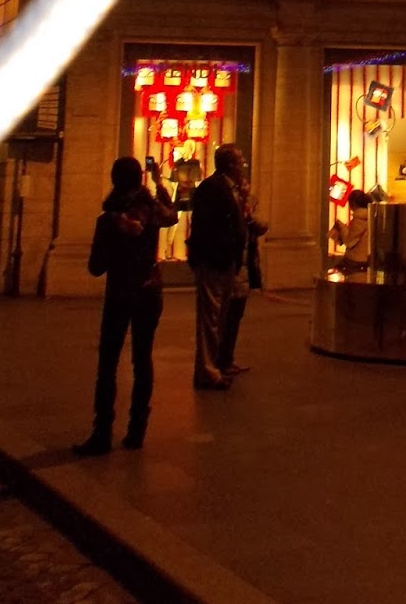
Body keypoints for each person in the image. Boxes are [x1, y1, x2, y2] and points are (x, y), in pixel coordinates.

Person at [74, 156, 177, 455]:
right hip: (149, 292)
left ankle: (102, 431)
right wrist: (159, 181)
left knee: (108, 363)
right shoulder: (152, 211)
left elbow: (96, 267)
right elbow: (172, 215)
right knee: (142, 360)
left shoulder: (108, 220)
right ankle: (136, 431)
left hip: (120, 294)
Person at [187, 142, 247, 390]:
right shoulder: (212, 188)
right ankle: (208, 371)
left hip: (225, 260)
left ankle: (216, 365)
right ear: (230, 164)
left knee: (219, 316)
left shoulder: (231, 188)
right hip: (214, 260)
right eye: (240, 160)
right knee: (210, 318)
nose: (243, 165)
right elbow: (206, 227)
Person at [218, 172, 268, 378]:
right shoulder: (228, 202)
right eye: (244, 183)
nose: (247, 186)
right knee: (226, 316)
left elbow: (262, 226)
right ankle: (221, 360)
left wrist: (248, 215)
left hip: (245, 265)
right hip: (233, 265)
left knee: (235, 315)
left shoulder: (249, 205)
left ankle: (227, 359)